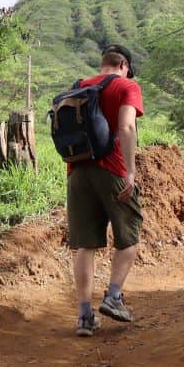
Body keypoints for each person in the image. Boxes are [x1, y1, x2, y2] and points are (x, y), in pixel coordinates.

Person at [67, 44, 143, 338]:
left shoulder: (78, 87)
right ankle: (113, 296)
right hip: (112, 170)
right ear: (123, 65)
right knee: (129, 234)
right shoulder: (127, 85)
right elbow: (126, 127)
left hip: (77, 172)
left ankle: (84, 317)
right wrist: (130, 171)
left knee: (85, 244)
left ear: (103, 64)